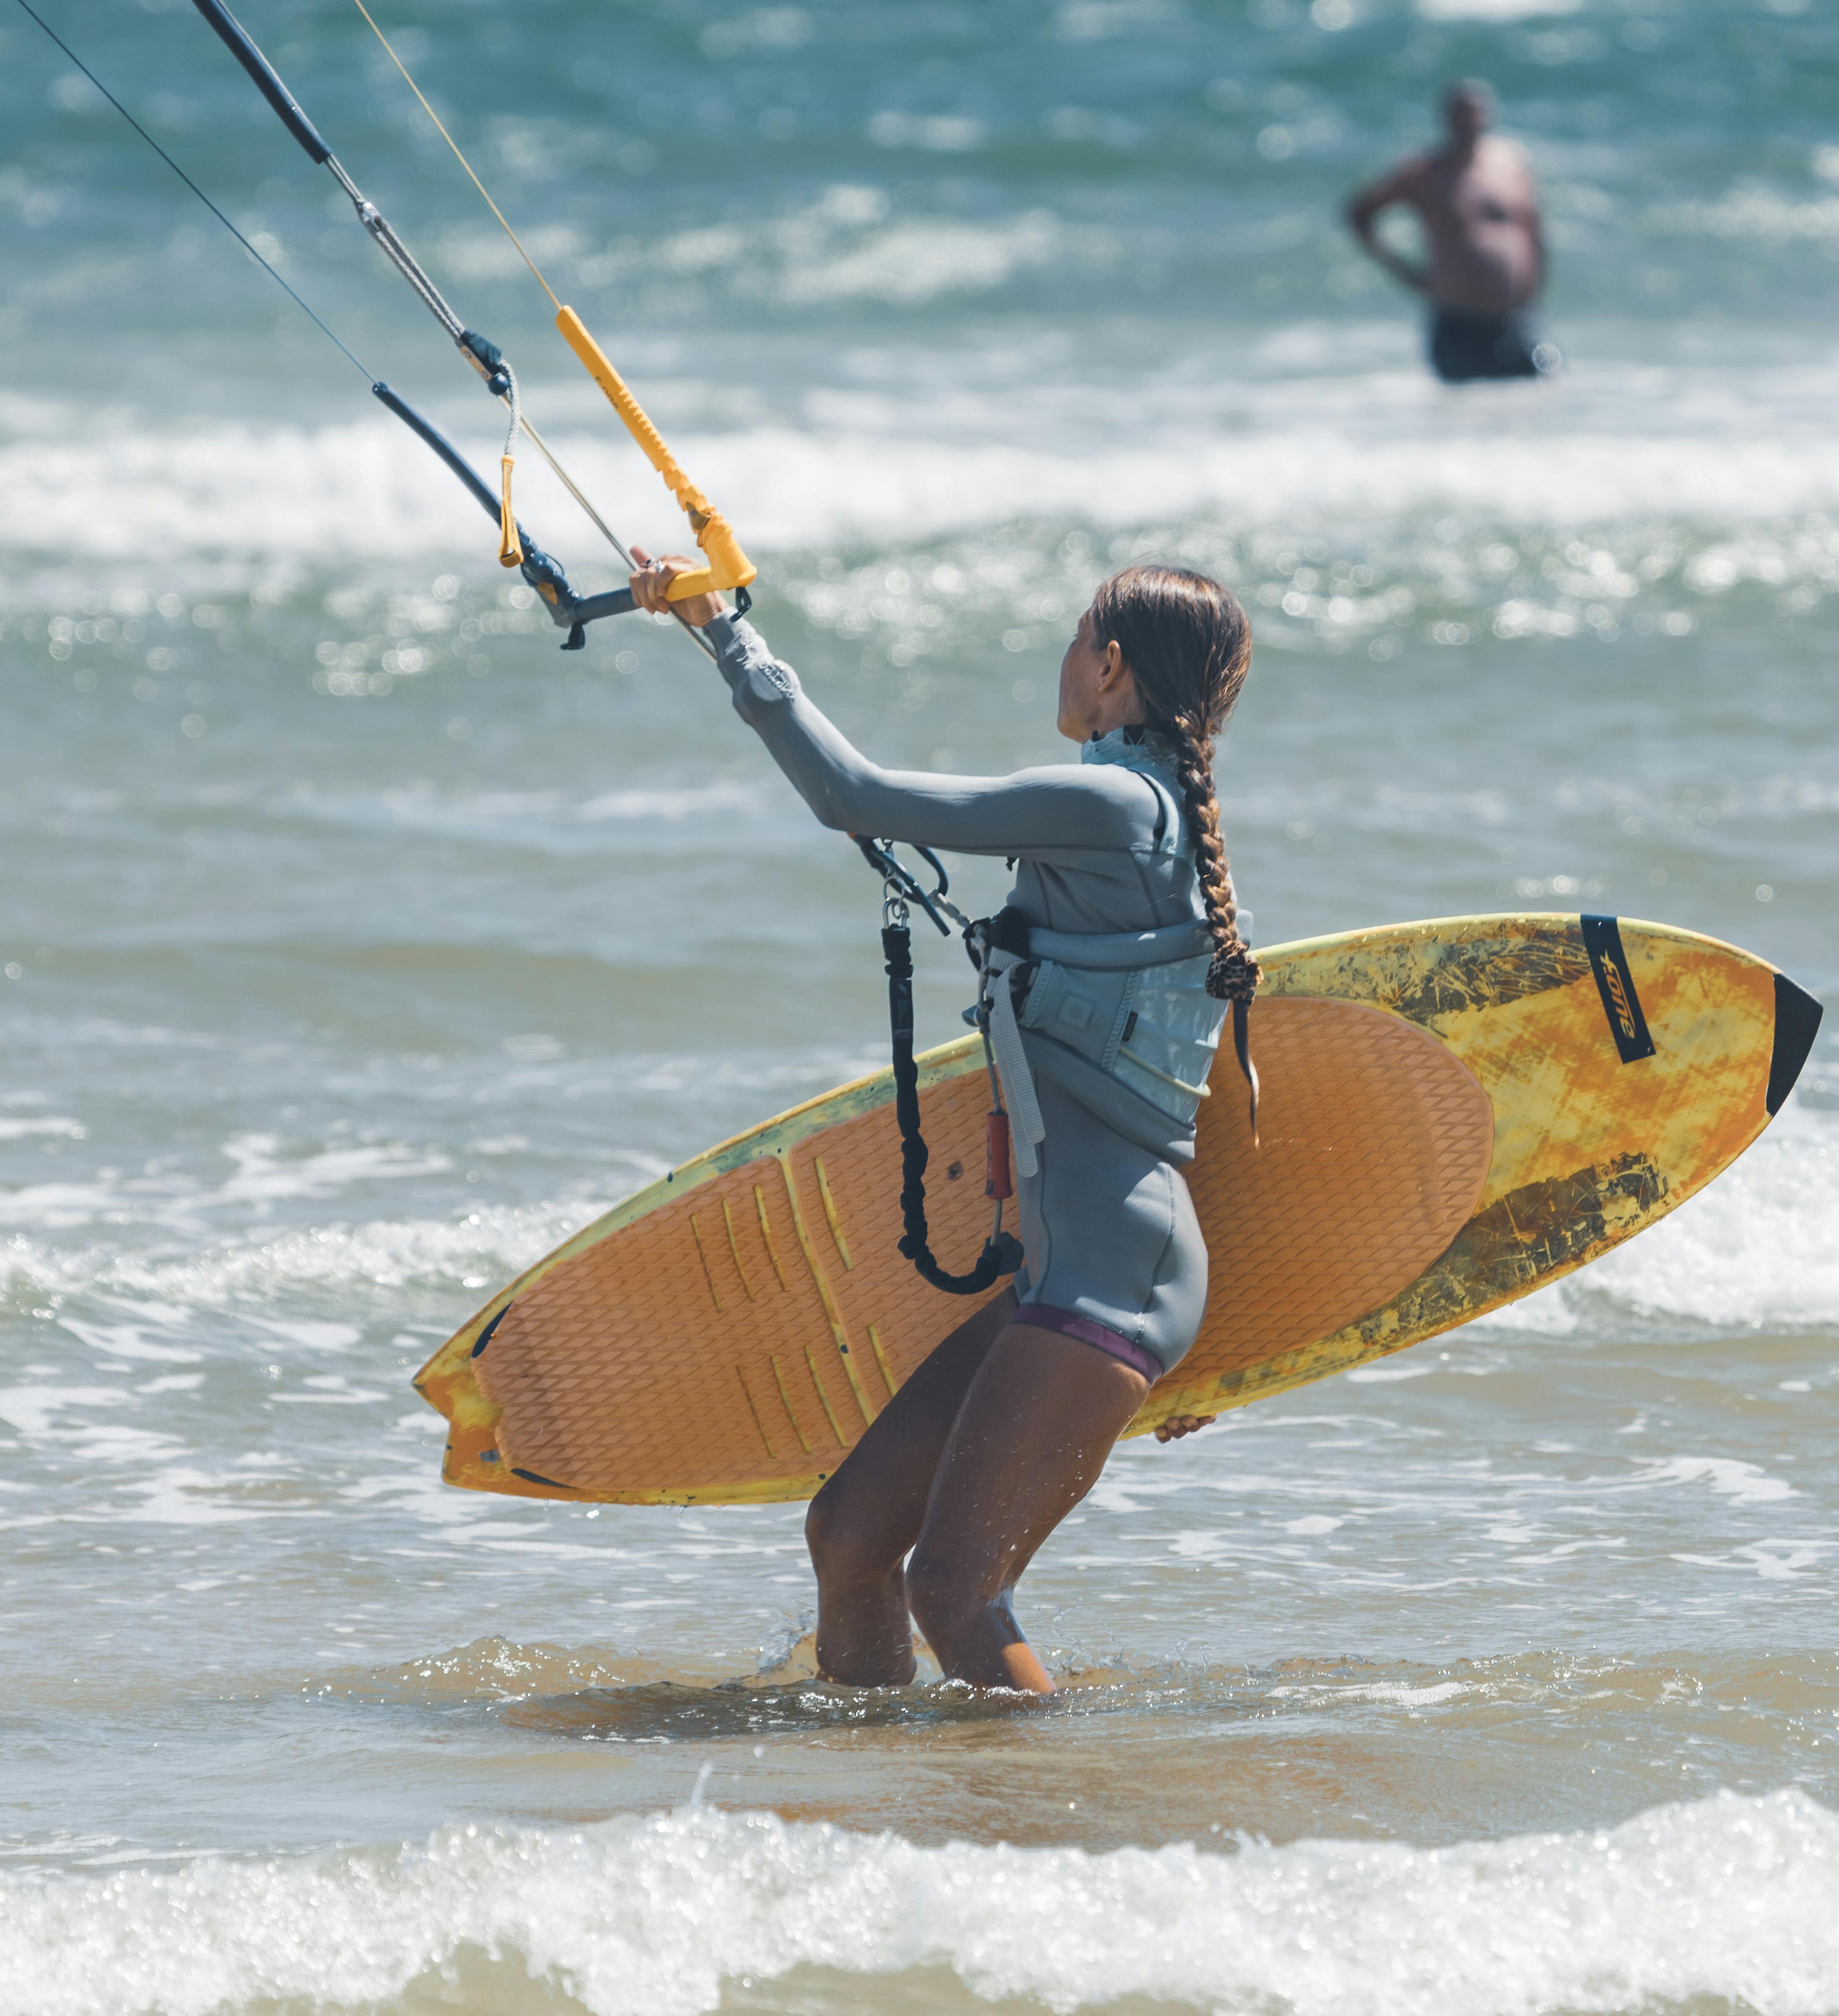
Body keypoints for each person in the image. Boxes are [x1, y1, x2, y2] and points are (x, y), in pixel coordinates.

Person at [628, 552, 1257, 1695]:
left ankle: (1035, 1808)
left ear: (1108, 664)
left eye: (1076, 637)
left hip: (1107, 1292)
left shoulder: (1113, 806)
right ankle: (886, 1792)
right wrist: (695, 623)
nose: (1065, 658)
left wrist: (728, 630)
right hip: (1064, 1285)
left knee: (954, 1591)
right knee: (851, 1537)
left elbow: (851, 796)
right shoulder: (1137, 817)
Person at [1345, 79, 1554, 383]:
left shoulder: (1512, 163)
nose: (1470, 121)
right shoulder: (1425, 172)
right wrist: (1406, 273)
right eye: (1461, 114)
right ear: (1446, 117)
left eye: (1476, 113)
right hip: (1458, 321)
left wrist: (1535, 285)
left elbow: (1534, 230)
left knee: (1544, 391)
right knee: (1462, 416)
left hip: (1516, 318)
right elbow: (1359, 213)